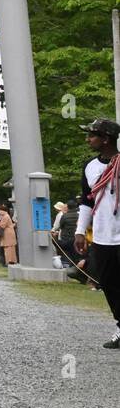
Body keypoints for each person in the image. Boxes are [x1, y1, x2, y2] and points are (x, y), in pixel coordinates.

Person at [74, 118, 120, 348]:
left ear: (106, 139)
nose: (88, 139)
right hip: (102, 236)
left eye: (92, 135)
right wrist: (80, 231)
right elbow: (86, 201)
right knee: (109, 283)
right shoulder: (90, 167)